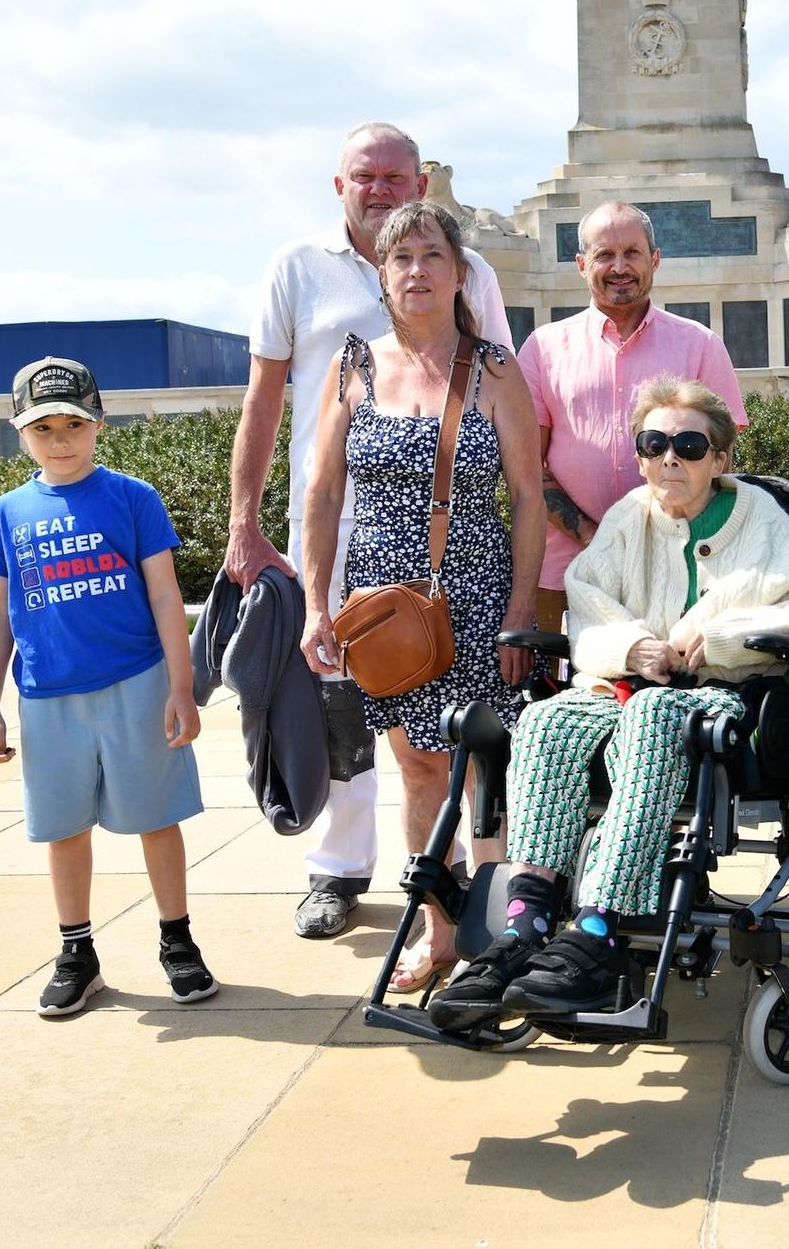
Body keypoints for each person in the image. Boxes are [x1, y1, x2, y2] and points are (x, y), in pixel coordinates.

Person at [428, 380, 789, 1026]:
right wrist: (633, 648)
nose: (670, 460)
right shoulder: (631, 516)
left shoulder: (765, 521)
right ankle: (524, 927)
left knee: (655, 716)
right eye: (654, 444)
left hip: (727, 703)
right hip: (630, 688)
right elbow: (589, 596)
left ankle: (598, 929)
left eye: (689, 445)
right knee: (546, 719)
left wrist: (716, 638)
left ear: (720, 458)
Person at [228, 122, 513, 941]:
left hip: (443, 530)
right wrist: (244, 523)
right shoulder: (296, 268)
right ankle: (338, 869)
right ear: (339, 184)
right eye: (366, 175)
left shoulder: (471, 269)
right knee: (341, 708)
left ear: (420, 181)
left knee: (449, 722)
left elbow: (500, 382)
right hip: (335, 522)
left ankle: (456, 878)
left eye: (396, 175)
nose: (381, 187)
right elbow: (263, 400)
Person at [298, 200, 543, 993]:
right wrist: (314, 604)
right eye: (400, 259)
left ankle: (497, 938)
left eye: (431, 255)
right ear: (382, 274)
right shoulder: (354, 366)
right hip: (384, 614)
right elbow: (323, 495)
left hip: (475, 599)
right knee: (418, 771)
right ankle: (439, 933)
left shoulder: (496, 371)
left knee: (484, 774)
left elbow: (529, 500)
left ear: (458, 270)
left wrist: (519, 616)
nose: (416, 271)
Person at [0, 357, 216, 1017]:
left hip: (136, 684)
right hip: (48, 695)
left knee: (155, 818)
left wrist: (179, 686)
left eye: (73, 424)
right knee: (64, 828)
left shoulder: (132, 498)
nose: (60, 439)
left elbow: (166, 594)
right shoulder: (8, 513)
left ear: (99, 424)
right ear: (19, 433)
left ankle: (178, 942)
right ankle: (77, 953)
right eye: (43, 427)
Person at [518, 201, 747, 634]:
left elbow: (719, 461)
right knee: (564, 697)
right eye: (605, 255)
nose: (619, 267)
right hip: (564, 569)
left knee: (668, 693)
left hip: (677, 564)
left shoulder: (700, 345)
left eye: (632, 253)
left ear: (655, 260)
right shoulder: (542, 349)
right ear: (582, 264)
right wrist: (594, 535)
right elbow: (527, 466)